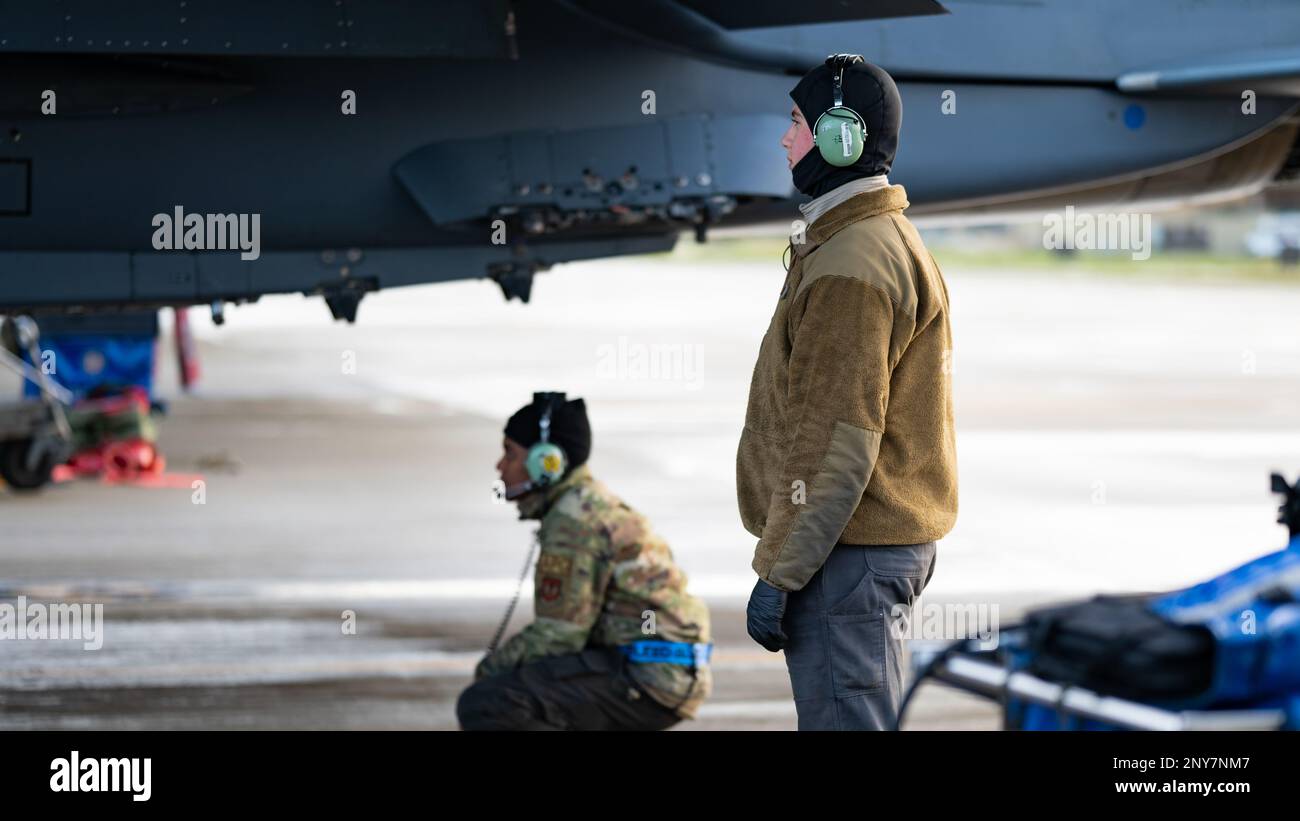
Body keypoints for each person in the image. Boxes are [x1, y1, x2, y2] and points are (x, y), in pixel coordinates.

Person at [736, 55, 958, 730]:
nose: (785, 139)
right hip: (859, 550)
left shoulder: (851, 264)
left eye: (798, 123)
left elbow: (835, 440)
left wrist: (780, 570)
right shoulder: (869, 240)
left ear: (842, 137)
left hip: (846, 556)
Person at [457, 392, 712, 730]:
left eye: (510, 453)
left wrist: (489, 669)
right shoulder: (589, 505)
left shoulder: (573, 523)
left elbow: (558, 636)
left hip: (646, 675)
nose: (500, 466)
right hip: (661, 671)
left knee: (488, 704)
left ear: (545, 463)